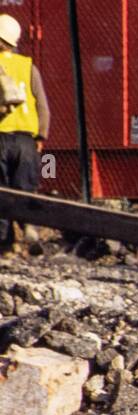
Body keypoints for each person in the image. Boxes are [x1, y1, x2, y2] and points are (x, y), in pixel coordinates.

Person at [0, 14, 50, 253]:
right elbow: (42, 105)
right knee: (25, 185)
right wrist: (41, 135)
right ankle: (29, 225)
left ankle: (4, 243)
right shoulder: (28, 67)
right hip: (25, 139)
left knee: (1, 189)